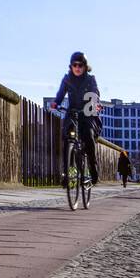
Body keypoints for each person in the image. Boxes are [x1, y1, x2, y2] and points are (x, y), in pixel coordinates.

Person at [50, 51, 101, 184]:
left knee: (89, 137)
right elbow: (61, 93)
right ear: (71, 66)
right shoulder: (67, 79)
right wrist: (56, 102)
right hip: (72, 112)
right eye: (75, 65)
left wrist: (95, 104)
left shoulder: (90, 79)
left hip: (87, 112)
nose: (77, 68)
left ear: (85, 66)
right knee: (67, 137)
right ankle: (67, 173)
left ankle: (93, 168)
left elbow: (95, 92)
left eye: (80, 65)